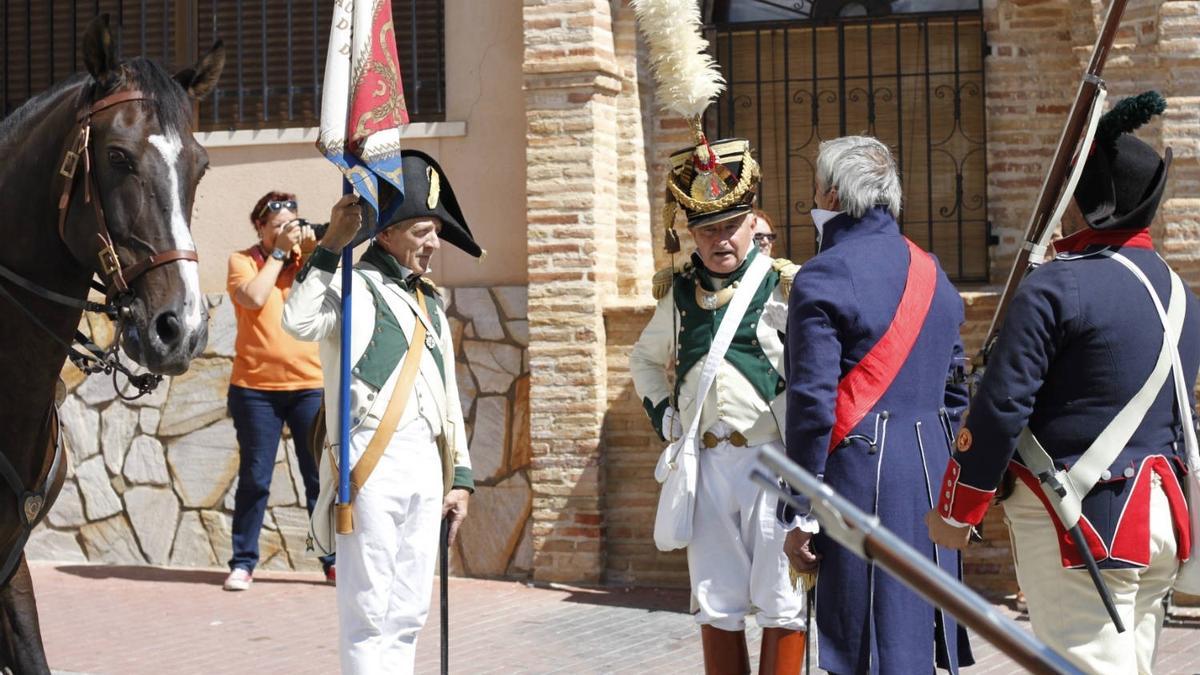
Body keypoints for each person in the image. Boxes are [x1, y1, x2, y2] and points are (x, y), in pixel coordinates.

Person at [927, 93, 1199, 674]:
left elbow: (1001, 408)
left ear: (1089, 203)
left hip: (1080, 523)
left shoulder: (1055, 287)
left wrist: (957, 510)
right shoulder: (1181, 295)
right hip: (1160, 520)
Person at [781, 135, 973, 674]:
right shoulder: (933, 271)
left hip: (861, 479)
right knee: (914, 646)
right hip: (932, 477)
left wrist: (799, 509)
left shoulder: (823, 274)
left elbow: (813, 406)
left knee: (863, 649)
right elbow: (957, 392)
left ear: (832, 195)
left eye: (815, 188)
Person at [282, 150, 477, 674]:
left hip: (425, 468)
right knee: (368, 614)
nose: (433, 244)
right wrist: (330, 245)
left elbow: (447, 395)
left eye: (436, 231)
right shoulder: (352, 285)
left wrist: (459, 478)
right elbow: (298, 322)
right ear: (386, 234)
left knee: (408, 612)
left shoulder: (430, 301)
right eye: (421, 231)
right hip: (371, 465)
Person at [630, 136, 807, 674]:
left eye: (730, 226)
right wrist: (666, 420)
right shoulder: (679, 293)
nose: (719, 239)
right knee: (715, 599)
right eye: (707, 230)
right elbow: (644, 360)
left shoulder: (784, 286)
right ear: (691, 233)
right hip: (705, 463)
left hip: (772, 459)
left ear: (753, 224)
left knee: (782, 597)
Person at [224, 191, 332, 591]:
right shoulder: (242, 261)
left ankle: (332, 560)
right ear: (260, 228)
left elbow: (331, 283)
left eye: (292, 225)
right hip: (255, 390)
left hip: (309, 387)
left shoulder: (306, 259)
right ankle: (243, 562)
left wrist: (312, 246)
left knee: (318, 479)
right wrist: (280, 253)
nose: (286, 232)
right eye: (277, 227)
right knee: (255, 478)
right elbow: (253, 298)